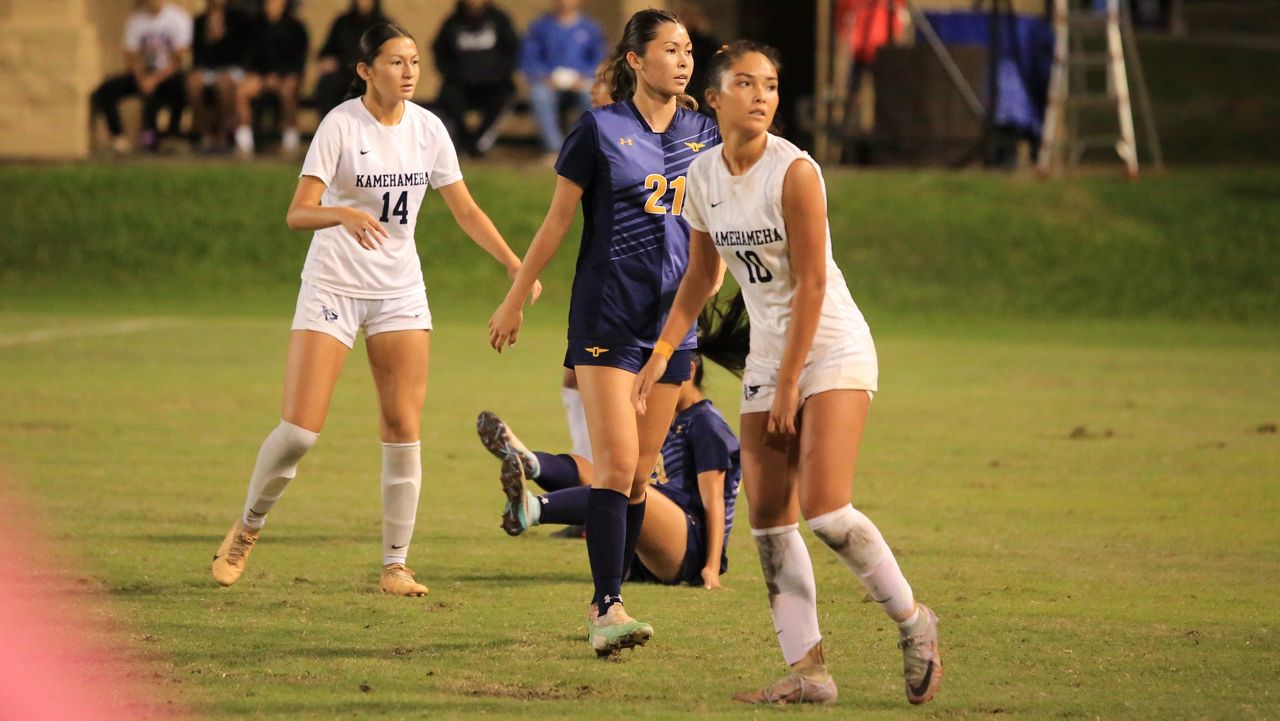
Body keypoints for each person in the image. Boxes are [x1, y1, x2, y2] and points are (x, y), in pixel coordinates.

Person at [633, 42, 943, 706]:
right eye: (745, 84)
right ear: (713, 99)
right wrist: (662, 353)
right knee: (771, 521)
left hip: (829, 346)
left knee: (828, 509)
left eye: (770, 84)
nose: (762, 95)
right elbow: (702, 274)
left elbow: (809, 286)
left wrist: (789, 383)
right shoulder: (704, 177)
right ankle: (809, 669)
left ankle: (915, 622)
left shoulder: (795, 172)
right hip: (772, 358)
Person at [210, 23, 539, 598]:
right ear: (365, 71)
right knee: (299, 433)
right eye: (395, 62)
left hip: (398, 291)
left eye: (413, 61)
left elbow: (464, 210)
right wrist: (342, 214)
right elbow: (298, 212)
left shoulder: (429, 128)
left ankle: (395, 566)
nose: (409, 71)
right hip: (333, 287)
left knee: (403, 427)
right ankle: (248, 527)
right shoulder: (340, 125)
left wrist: (514, 265)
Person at [488, 8, 720, 657]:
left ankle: (602, 581)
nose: (682, 59)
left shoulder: (704, 134)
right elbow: (557, 223)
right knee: (616, 466)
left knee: (641, 478)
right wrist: (515, 299)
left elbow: (717, 226)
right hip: (606, 322)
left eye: (689, 50)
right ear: (636, 60)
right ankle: (606, 605)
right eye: (669, 49)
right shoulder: (599, 128)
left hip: (672, 331)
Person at [479, 300, 749, 589]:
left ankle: (533, 509)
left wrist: (710, 567)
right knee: (601, 473)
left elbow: (715, 503)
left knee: (627, 486)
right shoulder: (665, 417)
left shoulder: (707, 424)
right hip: (645, 538)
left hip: (685, 545)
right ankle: (532, 462)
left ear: (689, 371)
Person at [90, 0, 191, 154]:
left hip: (167, 75)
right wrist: (142, 79)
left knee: (182, 86)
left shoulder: (179, 18)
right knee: (107, 89)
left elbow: (178, 59)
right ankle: (118, 138)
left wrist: (155, 80)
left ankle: (172, 135)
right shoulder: (135, 20)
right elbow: (131, 56)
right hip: (142, 74)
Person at [518, 0, 607, 161]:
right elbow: (530, 59)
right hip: (548, 83)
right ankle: (555, 150)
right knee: (540, 96)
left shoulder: (590, 28)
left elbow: (600, 60)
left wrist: (583, 77)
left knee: (592, 95)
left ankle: (579, 148)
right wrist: (545, 77)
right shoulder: (540, 27)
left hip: (581, 83)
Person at [431, 0, 520, 157]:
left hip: (494, 83)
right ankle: (462, 141)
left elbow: (512, 51)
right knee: (448, 95)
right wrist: (455, 74)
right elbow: (440, 52)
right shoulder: (452, 22)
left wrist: (497, 74)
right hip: (461, 84)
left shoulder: (499, 20)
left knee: (506, 94)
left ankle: (478, 144)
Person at [234, 0, 310, 156]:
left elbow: (298, 61)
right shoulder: (255, 26)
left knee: (289, 89)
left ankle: (289, 143)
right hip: (261, 77)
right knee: (242, 90)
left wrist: (279, 76)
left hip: (286, 77)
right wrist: (262, 76)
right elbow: (249, 57)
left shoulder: (296, 28)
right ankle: (244, 143)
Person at [187, 0, 251, 153]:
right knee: (192, 83)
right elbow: (197, 58)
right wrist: (209, 40)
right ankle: (205, 135)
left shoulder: (239, 19)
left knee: (224, 83)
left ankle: (222, 135)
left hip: (232, 68)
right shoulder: (200, 21)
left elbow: (241, 54)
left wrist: (222, 37)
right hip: (208, 69)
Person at [313, 0, 393, 119]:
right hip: (342, 72)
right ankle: (332, 127)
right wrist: (326, 60)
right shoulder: (342, 22)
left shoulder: (384, 25)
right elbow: (327, 50)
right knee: (327, 84)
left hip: (372, 75)